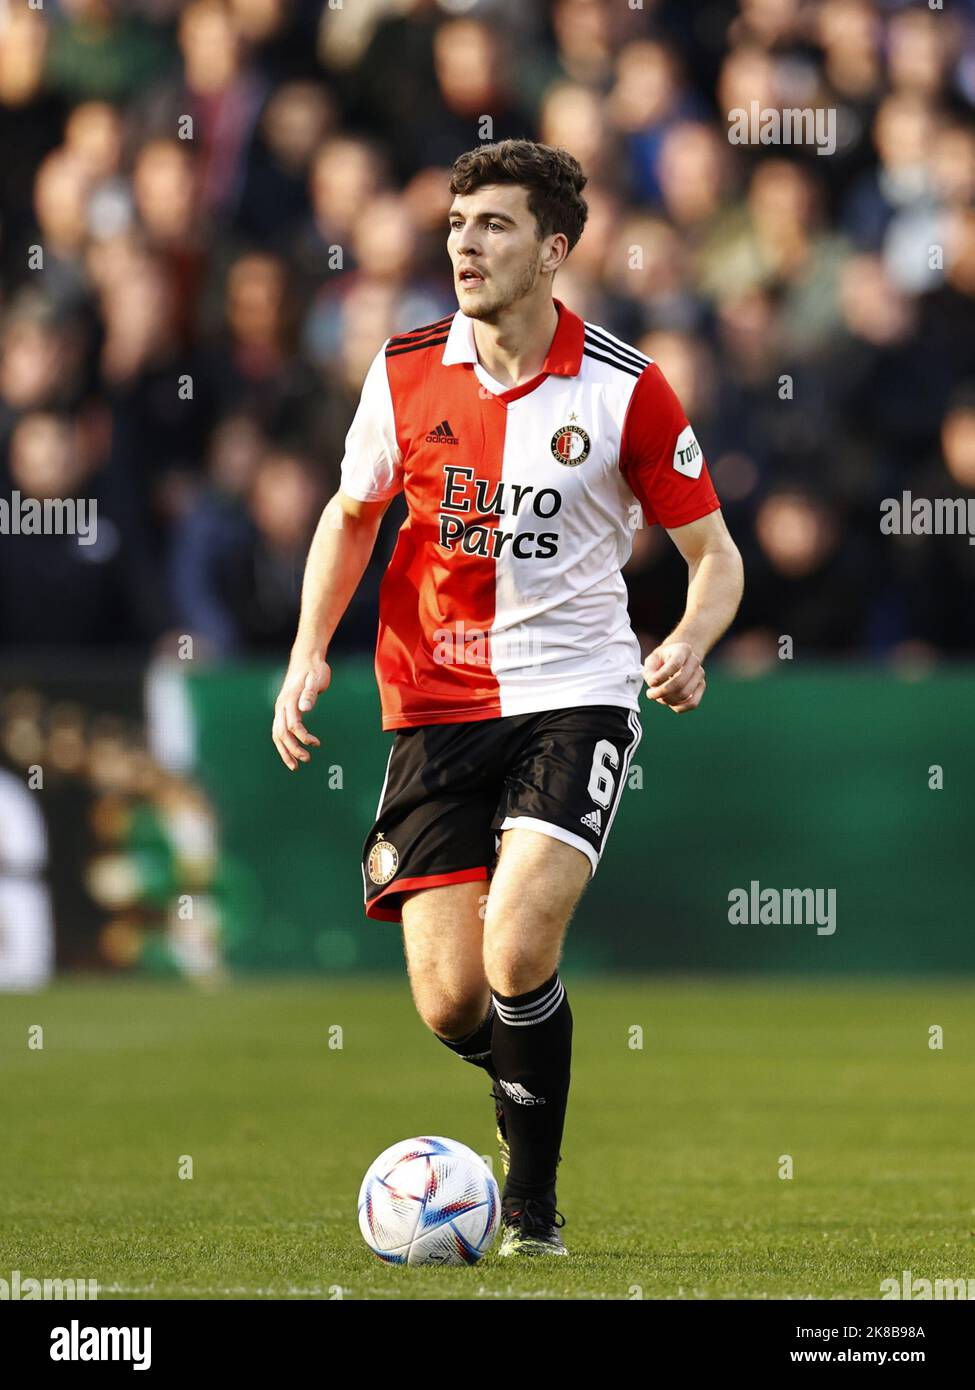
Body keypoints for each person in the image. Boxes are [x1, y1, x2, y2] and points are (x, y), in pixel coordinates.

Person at [272, 139, 744, 1256]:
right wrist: (307, 650)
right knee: (449, 1002)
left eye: (494, 226)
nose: (467, 246)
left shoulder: (624, 387)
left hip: (577, 692)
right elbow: (350, 517)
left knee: (517, 950)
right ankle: (539, 1079)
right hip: (431, 699)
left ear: (555, 250)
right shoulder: (402, 372)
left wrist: (687, 636)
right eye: (456, 225)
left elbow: (714, 554)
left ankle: (531, 1209)